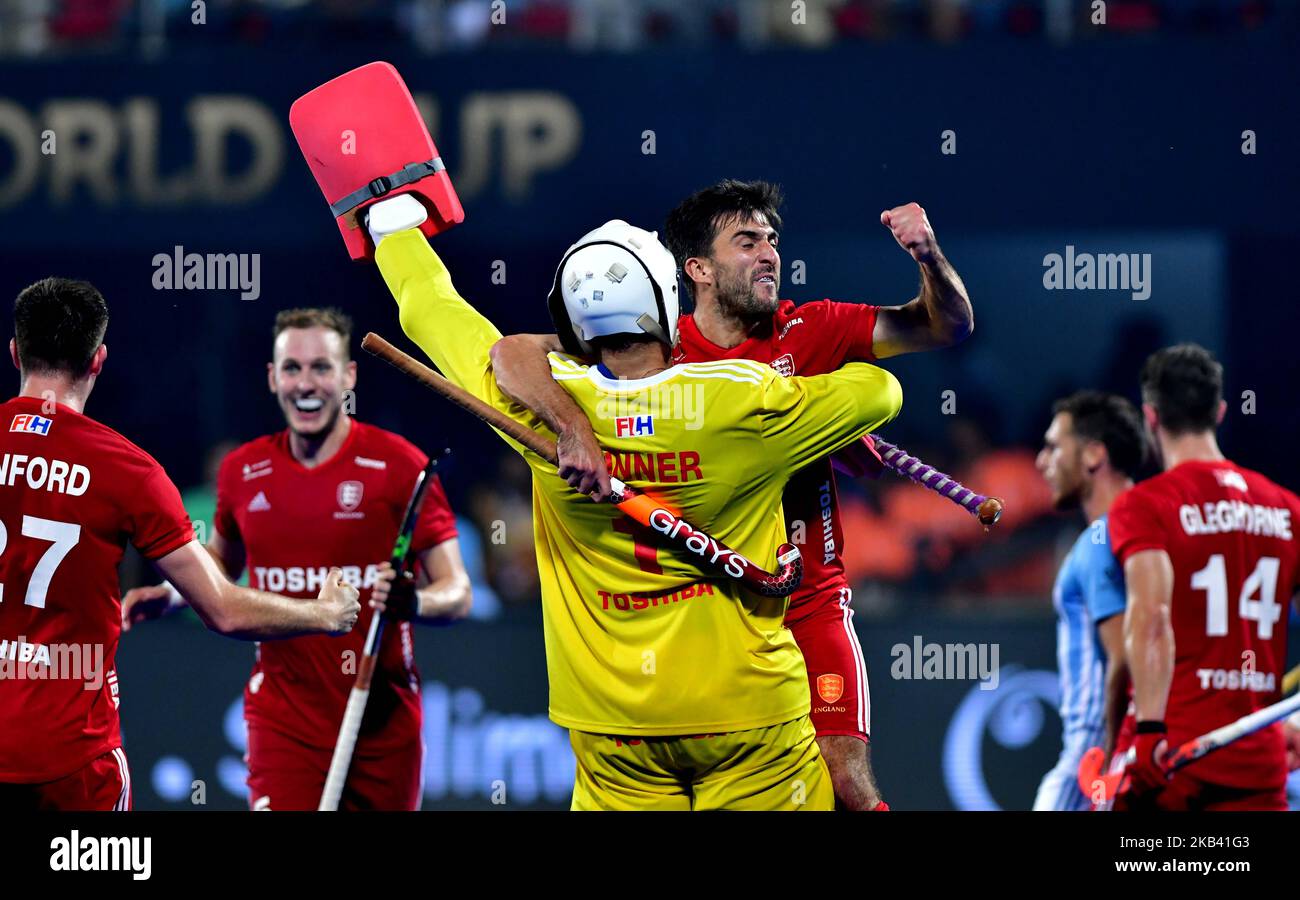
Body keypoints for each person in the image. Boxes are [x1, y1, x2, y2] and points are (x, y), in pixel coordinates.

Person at [366, 193, 902, 809]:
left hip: (613, 738)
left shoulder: (530, 407)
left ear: (569, 323)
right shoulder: (746, 399)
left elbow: (433, 311)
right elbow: (879, 389)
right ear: (668, 305)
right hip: (751, 725)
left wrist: (394, 230)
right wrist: (822, 424)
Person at [490, 179, 973, 808]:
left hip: (808, 599)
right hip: (718, 615)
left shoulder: (812, 328)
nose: (769, 253)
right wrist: (573, 426)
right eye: (747, 242)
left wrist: (929, 257)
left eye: (772, 239)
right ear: (697, 269)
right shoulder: (657, 346)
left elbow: (945, 326)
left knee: (847, 780)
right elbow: (517, 352)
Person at [0, 278, 360, 811]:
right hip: (72, 765)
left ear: (14, 352)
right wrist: (325, 612)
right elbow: (223, 610)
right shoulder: (128, 471)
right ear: (98, 360)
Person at [122, 307, 470, 811]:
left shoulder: (401, 466)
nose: (305, 383)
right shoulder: (242, 471)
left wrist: (412, 601)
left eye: (321, 367)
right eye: (292, 368)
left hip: (383, 721)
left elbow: (457, 592)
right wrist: (174, 594)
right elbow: (221, 567)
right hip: (283, 719)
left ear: (348, 375)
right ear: (272, 377)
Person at [1110, 344, 1300, 811]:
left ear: (1150, 416)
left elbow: (1152, 618)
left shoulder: (1146, 504)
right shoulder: (1288, 508)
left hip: (1172, 754)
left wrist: (1151, 730)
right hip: (1258, 759)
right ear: (1219, 411)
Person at [1032, 390, 1146, 810]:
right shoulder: (1150, 525)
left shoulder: (1101, 537)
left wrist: (1113, 758)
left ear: (1094, 454)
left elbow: (1122, 657)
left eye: (1053, 446)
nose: (1042, 462)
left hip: (1096, 751)